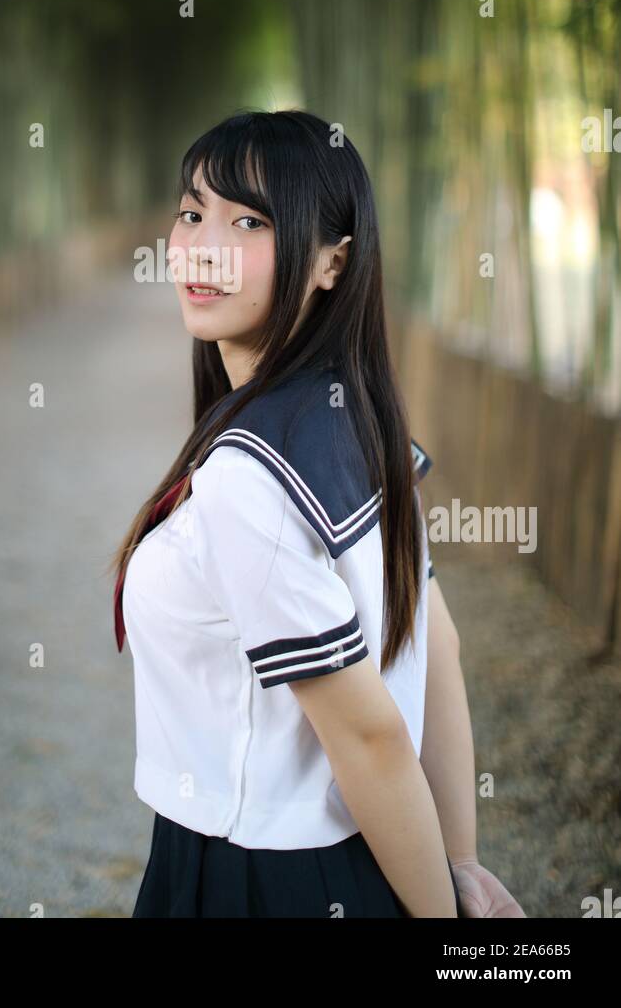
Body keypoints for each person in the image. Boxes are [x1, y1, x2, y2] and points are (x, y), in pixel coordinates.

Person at [111, 108, 525, 919]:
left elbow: (370, 737)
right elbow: (435, 642)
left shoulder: (249, 480)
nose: (203, 246)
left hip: (251, 880)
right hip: (357, 865)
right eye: (193, 213)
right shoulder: (362, 419)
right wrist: (458, 863)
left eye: (250, 222)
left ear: (334, 261)